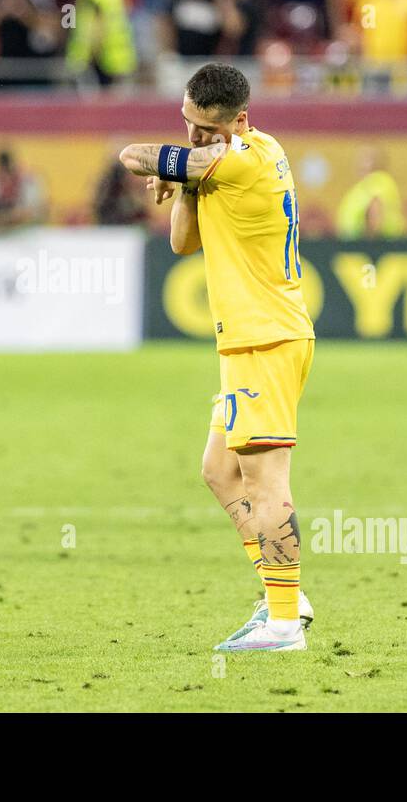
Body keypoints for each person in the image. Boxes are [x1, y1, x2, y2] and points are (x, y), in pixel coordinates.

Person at [118, 63, 315, 652]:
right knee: (220, 470)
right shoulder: (227, 161)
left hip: (267, 340)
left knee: (265, 477)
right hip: (246, 342)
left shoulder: (247, 159)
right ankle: (283, 596)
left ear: (240, 121)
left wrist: (171, 167)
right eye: (187, 124)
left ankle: (284, 624)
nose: (194, 137)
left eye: (206, 128)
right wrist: (182, 182)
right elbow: (182, 241)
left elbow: (131, 156)